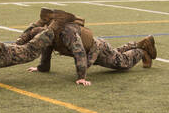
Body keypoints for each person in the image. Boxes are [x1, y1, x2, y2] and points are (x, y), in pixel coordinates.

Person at [28, 17, 156, 85]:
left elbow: (80, 53)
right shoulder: (50, 34)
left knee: (123, 62)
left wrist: (81, 77)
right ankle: (137, 44)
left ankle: (141, 51)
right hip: (97, 45)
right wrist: (42, 68)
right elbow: (47, 50)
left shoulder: (67, 33)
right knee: (114, 53)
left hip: (97, 49)